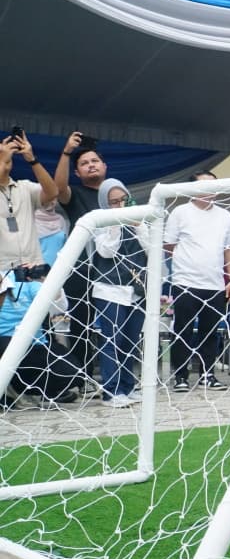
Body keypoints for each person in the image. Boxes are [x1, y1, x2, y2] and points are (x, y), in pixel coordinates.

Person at [163, 170, 230, 392]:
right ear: (193, 189)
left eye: (213, 185)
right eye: (204, 185)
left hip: (215, 284)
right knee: (183, 331)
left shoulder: (224, 215)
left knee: (210, 332)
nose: (209, 189)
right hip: (185, 282)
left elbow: (229, 249)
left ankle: (208, 375)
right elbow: (168, 245)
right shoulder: (180, 212)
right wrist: (186, 260)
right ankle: (181, 378)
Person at [54, 132, 106, 393]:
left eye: (95, 161)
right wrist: (66, 153)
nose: (91, 165)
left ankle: (117, 378)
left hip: (114, 272)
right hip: (82, 272)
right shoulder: (73, 193)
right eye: (84, 163)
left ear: (105, 166)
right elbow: (57, 189)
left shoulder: (116, 194)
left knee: (115, 326)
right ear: (77, 172)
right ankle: (82, 379)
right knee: (81, 326)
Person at [92, 180, 149, 408]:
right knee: (111, 341)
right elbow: (106, 251)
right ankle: (111, 391)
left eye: (124, 200)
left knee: (130, 341)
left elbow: (152, 249)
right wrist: (115, 223)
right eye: (114, 202)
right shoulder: (99, 221)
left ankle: (127, 386)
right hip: (109, 290)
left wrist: (139, 226)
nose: (120, 205)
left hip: (136, 290)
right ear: (106, 204)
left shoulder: (140, 220)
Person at [0, 270, 81, 409]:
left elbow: (59, 310)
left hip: (33, 346)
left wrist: (50, 286)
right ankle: (7, 391)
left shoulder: (24, 282)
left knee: (75, 372)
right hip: (4, 346)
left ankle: (37, 390)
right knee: (6, 343)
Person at [0, 132, 59, 271]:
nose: (5, 158)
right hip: (2, 272)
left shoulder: (24, 187)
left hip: (32, 267)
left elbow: (53, 193)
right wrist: (3, 160)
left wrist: (32, 159)